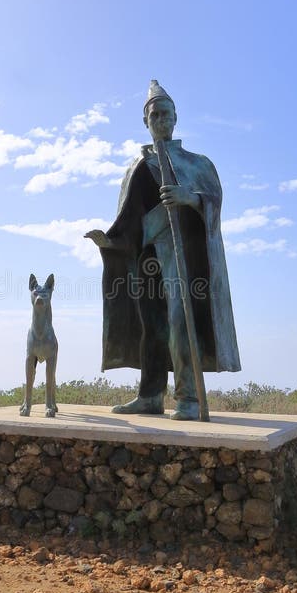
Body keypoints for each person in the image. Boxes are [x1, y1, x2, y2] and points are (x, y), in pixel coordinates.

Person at [85, 79, 240, 420]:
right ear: (146, 122)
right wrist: (109, 242)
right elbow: (129, 220)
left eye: (166, 114)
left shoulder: (198, 164)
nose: (161, 120)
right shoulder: (137, 167)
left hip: (186, 258)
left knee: (182, 324)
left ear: (176, 118)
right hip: (148, 258)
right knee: (151, 325)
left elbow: (214, 202)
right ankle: (150, 395)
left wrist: (191, 198)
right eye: (155, 115)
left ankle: (188, 399)